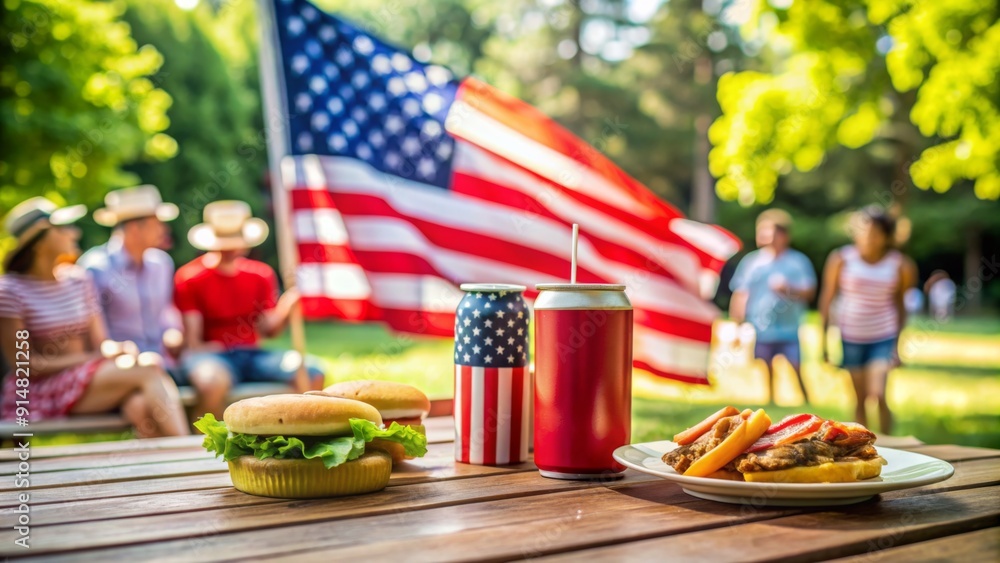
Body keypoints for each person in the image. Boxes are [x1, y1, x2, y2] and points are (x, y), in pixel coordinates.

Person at [0, 197, 188, 436]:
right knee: (149, 368)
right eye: (63, 228)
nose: (74, 233)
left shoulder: (79, 279)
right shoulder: (9, 291)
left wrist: (118, 349)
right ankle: (190, 452)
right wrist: (90, 358)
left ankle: (167, 470)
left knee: (139, 404)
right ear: (38, 242)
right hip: (40, 391)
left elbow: (102, 343)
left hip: (86, 379)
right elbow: (26, 365)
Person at [174, 201, 323, 417]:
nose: (230, 248)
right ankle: (206, 441)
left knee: (311, 371)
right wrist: (209, 348)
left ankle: (301, 433)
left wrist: (286, 307)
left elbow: (268, 330)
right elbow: (194, 342)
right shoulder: (189, 278)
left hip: (254, 355)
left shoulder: (261, 275)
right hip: (214, 357)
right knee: (211, 382)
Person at [819, 205, 917, 435]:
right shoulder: (841, 259)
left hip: (883, 336)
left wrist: (897, 346)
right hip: (851, 336)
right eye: (864, 231)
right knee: (860, 398)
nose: (869, 238)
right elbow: (827, 299)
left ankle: (890, 443)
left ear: (886, 236)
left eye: (876, 233)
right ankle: (862, 446)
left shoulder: (901, 264)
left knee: (878, 394)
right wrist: (824, 342)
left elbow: (901, 306)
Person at [78, 185, 187, 374]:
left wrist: (173, 331)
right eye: (157, 223)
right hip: (119, 368)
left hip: (164, 362)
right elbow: (93, 335)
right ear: (135, 228)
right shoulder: (94, 268)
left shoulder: (162, 263)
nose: (164, 229)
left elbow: (166, 311)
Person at [730, 209, 816, 404]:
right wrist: (737, 325)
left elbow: (809, 293)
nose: (764, 237)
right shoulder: (752, 262)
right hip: (762, 328)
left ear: (784, 235)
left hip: (789, 327)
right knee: (765, 365)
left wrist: (788, 289)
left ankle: (807, 400)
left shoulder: (798, 262)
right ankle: (770, 400)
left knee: (795, 365)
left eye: (769, 232)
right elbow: (741, 293)